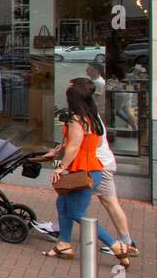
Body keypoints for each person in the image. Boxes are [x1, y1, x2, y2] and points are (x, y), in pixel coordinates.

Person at [43, 77, 139, 259]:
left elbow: (75, 145)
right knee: (62, 203)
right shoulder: (92, 117)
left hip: (83, 169)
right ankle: (63, 244)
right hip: (91, 168)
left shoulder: (76, 119)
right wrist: (59, 150)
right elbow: (87, 142)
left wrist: (60, 167)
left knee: (77, 212)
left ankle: (116, 245)